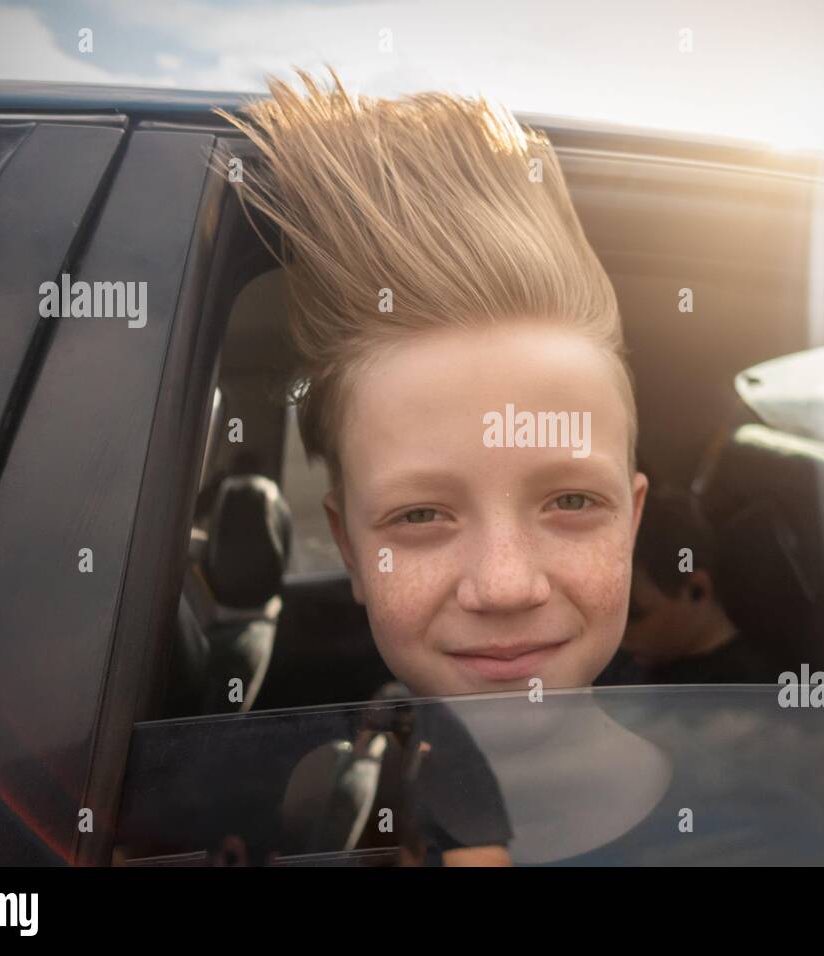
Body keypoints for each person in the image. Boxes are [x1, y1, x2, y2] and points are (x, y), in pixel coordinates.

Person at [219, 67, 666, 866]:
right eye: (420, 515)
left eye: (570, 500)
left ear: (632, 523)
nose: (503, 586)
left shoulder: (783, 834)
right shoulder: (266, 830)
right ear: (351, 549)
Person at [622, 486, 778, 684]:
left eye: (634, 616)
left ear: (697, 589)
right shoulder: (631, 665)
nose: (619, 633)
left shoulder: (745, 692)